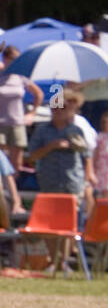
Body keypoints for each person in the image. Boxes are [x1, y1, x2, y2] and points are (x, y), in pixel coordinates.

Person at [28, 90, 93, 226]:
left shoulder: (76, 130)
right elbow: (32, 156)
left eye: (62, 107)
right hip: (49, 183)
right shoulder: (41, 130)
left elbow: (87, 157)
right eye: (54, 107)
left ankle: (71, 248)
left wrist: (86, 182)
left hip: (73, 184)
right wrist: (51, 146)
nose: (58, 110)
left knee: (71, 223)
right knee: (51, 223)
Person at [0, 45, 43, 170]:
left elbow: (38, 94)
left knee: (17, 163)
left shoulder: (21, 77)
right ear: (5, 58)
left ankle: (13, 187)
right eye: (14, 58)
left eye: (19, 59)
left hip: (17, 122)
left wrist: (32, 113)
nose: (16, 62)